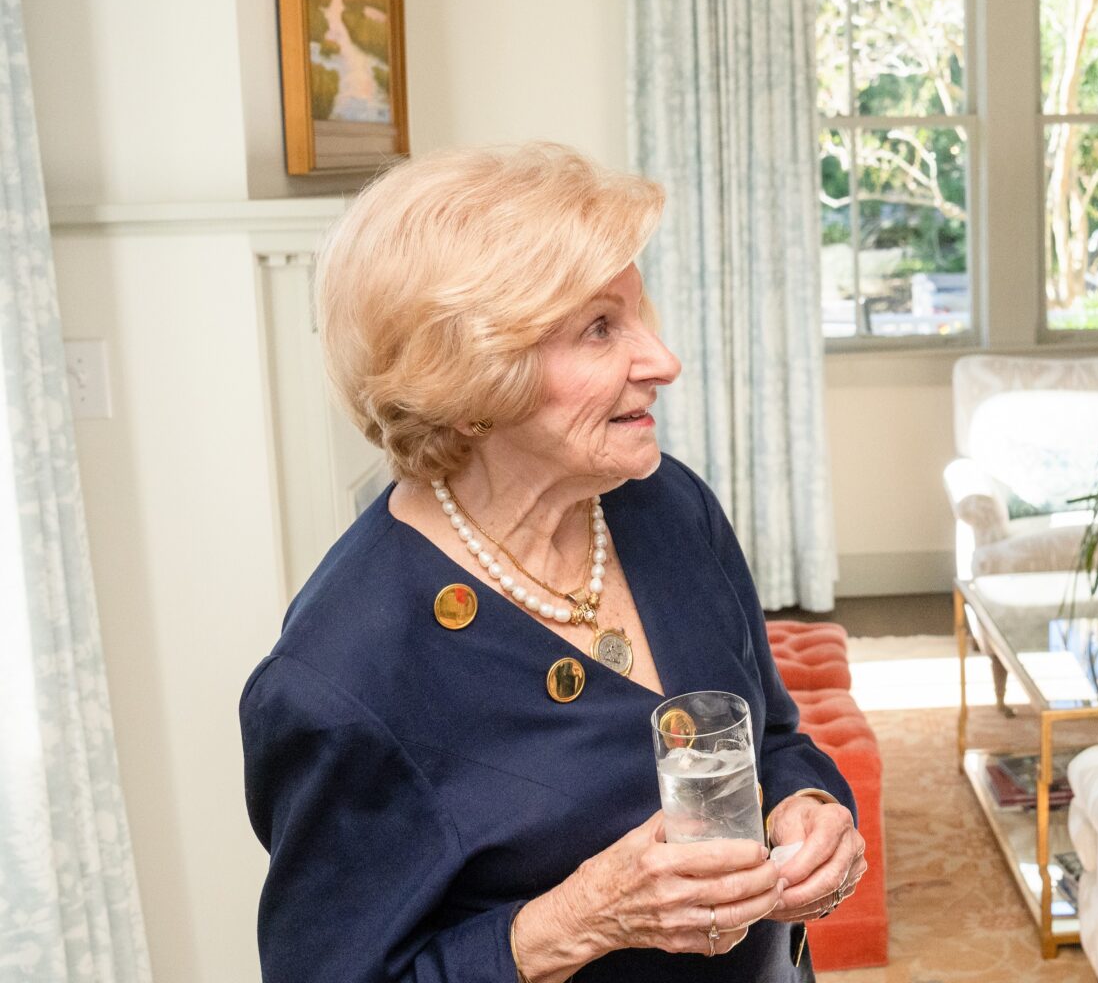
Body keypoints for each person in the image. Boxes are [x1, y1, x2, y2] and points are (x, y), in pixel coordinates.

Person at [241, 144, 864, 982]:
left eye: (640, 316)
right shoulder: (342, 676)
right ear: (468, 375)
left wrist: (808, 805)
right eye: (601, 328)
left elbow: (774, 736)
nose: (663, 361)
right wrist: (577, 921)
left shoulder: (665, 504)